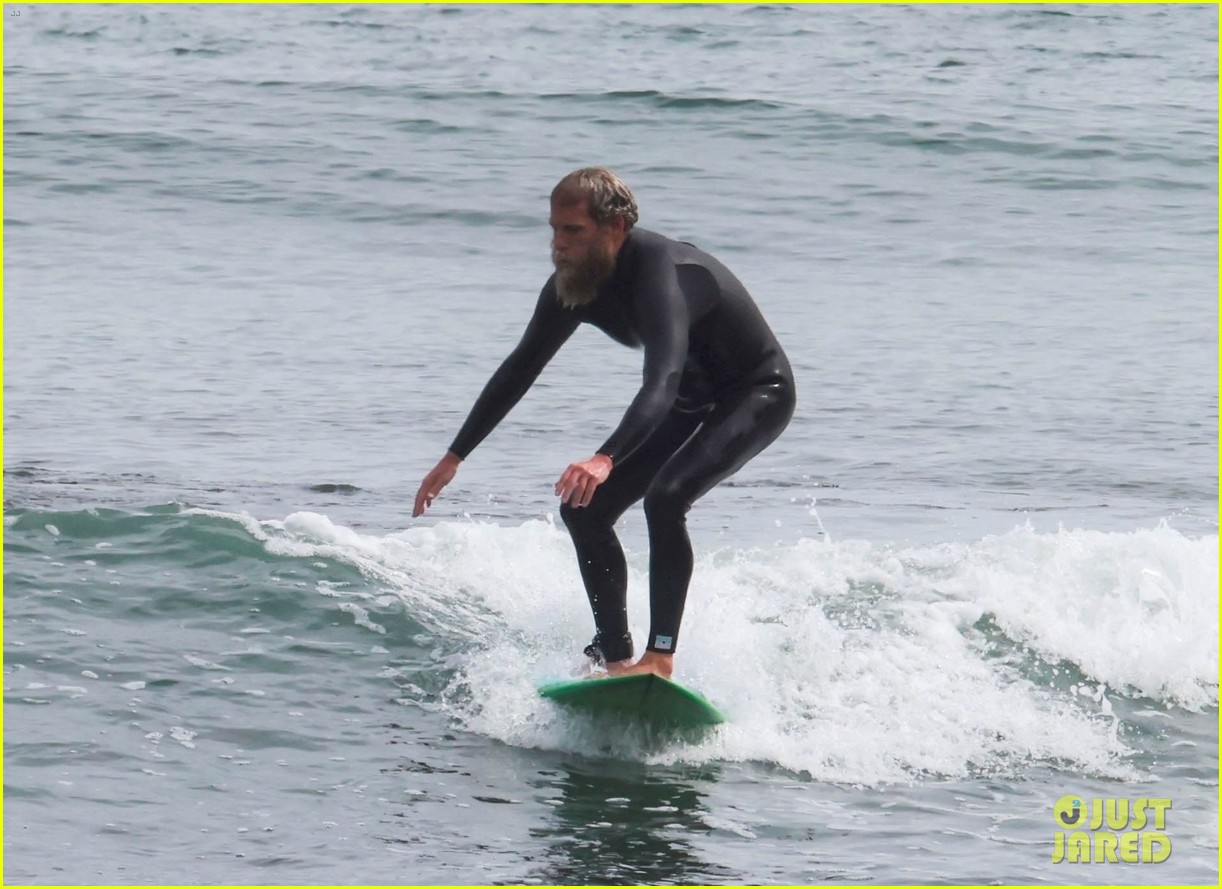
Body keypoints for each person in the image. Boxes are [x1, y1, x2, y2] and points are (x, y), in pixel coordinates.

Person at [413, 167, 796, 678]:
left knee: (667, 497)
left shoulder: (664, 273)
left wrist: (605, 457)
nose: (558, 244)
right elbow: (521, 367)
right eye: (553, 230)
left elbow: (662, 377)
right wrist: (455, 455)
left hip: (755, 392)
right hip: (688, 399)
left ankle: (659, 656)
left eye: (573, 231)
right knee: (585, 510)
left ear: (615, 227)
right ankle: (615, 658)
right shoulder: (574, 286)